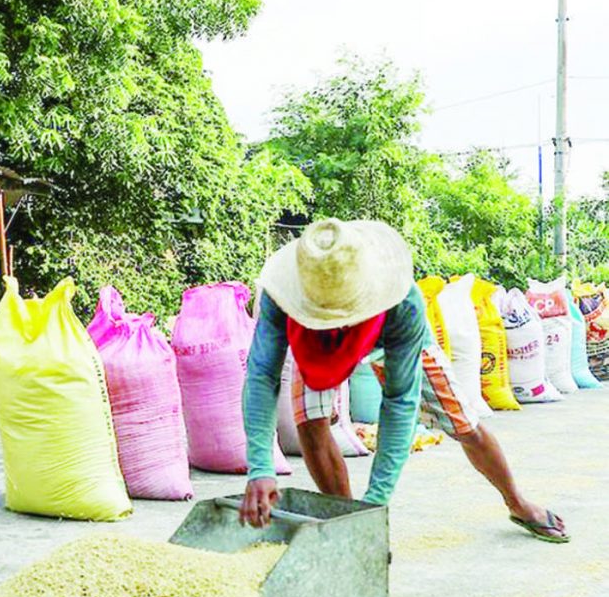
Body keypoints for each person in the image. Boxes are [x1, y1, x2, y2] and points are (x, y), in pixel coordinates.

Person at [239, 218, 569, 544]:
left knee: (464, 425)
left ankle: (517, 502)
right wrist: (260, 468)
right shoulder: (285, 293)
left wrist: (377, 499)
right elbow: (262, 376)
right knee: (310, 421)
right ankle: (349, 526)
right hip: (317, 345)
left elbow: (399, 403)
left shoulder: (401, 301)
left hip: (388, 337)